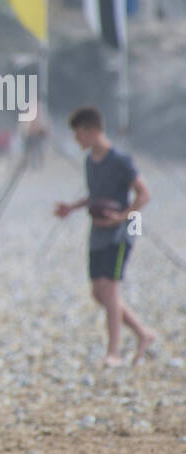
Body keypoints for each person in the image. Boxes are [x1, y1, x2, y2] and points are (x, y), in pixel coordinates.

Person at [53, 106, 156, 366]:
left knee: (110, 291)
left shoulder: (120, 160)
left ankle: (114, 352)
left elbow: (144, 193)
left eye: (79, 134)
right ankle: (143, 333)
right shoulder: (90, 161)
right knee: (98, 293)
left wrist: (123, 217)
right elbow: (95, 195)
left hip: (119, 234)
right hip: (97, 231)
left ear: (93, 131)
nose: (77, 140)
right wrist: (71, 207)